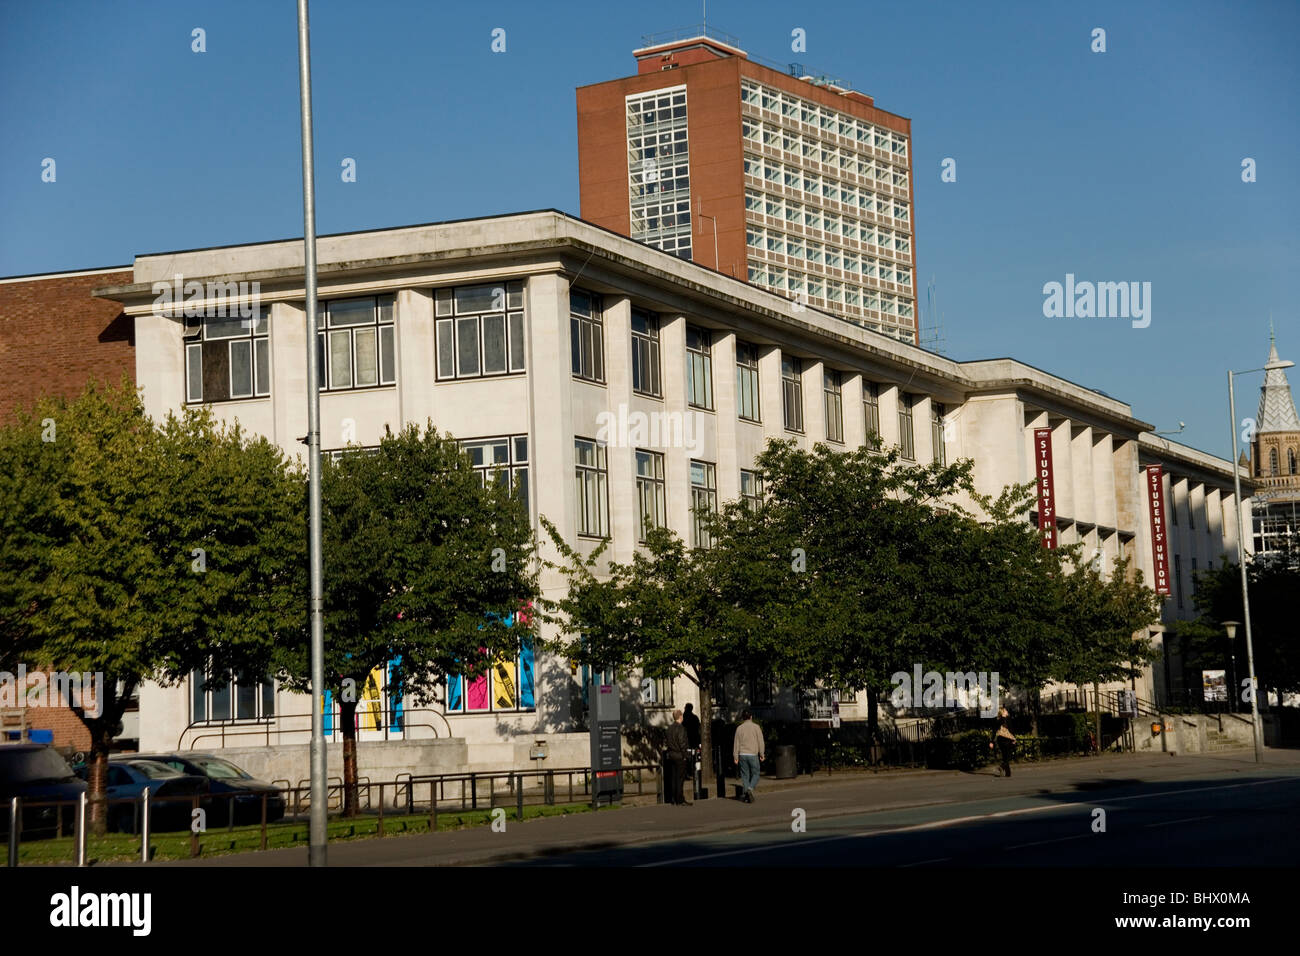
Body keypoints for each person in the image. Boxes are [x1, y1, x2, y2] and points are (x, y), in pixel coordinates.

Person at [733, 710, 765, 803]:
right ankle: (750, 789)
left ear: (743, 718)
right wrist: (762, 754)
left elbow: (736, 743)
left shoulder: (739, 728)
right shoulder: (756, 727)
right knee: (756, 773)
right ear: (751, 717)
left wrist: (736, 756)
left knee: (745, 776)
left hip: (742, 754)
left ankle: (746, 794)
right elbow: (760, 742)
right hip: (753, 754)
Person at [665, 709, 691, 805]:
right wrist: (685, 755)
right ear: (680, 717)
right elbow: (682, 743)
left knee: (674, 777)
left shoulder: (669, 728)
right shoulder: (681, 728)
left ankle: (674, 798)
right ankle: (680, 799)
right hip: (680, 755)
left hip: (672, 755)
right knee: (680, 778)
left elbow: (667, 742)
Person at [682, 702, 701, 794]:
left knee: (686, 758)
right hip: (694, 741)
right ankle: (694, 772)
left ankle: (687, 773)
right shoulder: (695, 718)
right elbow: (698, 729)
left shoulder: (684, 718)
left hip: (687, 741)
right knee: (694, 758)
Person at [990, 706, 1016, 777]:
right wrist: (1014, 738)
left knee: (1005, 756)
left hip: (1000, 739)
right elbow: (1011, 730)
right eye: (1006, 711)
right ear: (1003, 712)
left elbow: (994, 731)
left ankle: (1008, 773)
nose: (1007, 711)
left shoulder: (998, 720)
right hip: (1007, 739)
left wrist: (991, 741)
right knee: (1008, 756)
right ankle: (1002, 766)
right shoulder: (1007, 719)